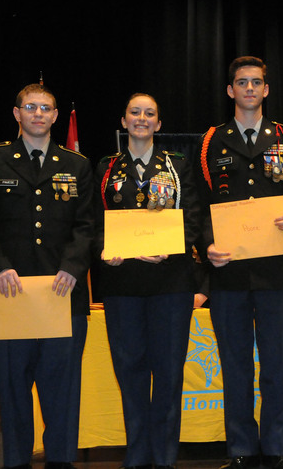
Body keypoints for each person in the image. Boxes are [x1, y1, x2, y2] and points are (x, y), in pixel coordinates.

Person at [0, 84, 95, 469]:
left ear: (56, 116)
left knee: (62, 392)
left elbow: (87, 227)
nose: (39, 114)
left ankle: (60, 462)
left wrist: (72, 268)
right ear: (17, 113)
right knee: (14, 390)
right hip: (10, 295)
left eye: (46, 108)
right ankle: (17, 462)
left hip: (62, 295)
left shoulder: (76, 165)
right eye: (31, 107)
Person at [196, 56, 283, 469]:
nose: (249, 89)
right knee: (236, 365)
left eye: (256, 83)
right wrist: (207, 244)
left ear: (266, 90)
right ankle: (242, 449)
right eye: (241, 83)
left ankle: (278, 447)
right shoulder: (211, 140)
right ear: (231, 91)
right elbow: (197, 205)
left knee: (278, 363)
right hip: (227, 271)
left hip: (276, 271)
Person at [95, 93, 201, 469]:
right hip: (122, 285)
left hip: (170, 283)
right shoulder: (107, 168)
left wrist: (172, 247)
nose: (141, 118)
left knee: (169, 372)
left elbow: (193, 218)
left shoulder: (177, 166)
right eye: (134, 113)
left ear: (158, 123)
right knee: (130, 371)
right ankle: (138, 455)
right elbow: (94, 222)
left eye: (149, 114)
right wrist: (106, 250)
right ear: (124, 121)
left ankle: (165, 457)